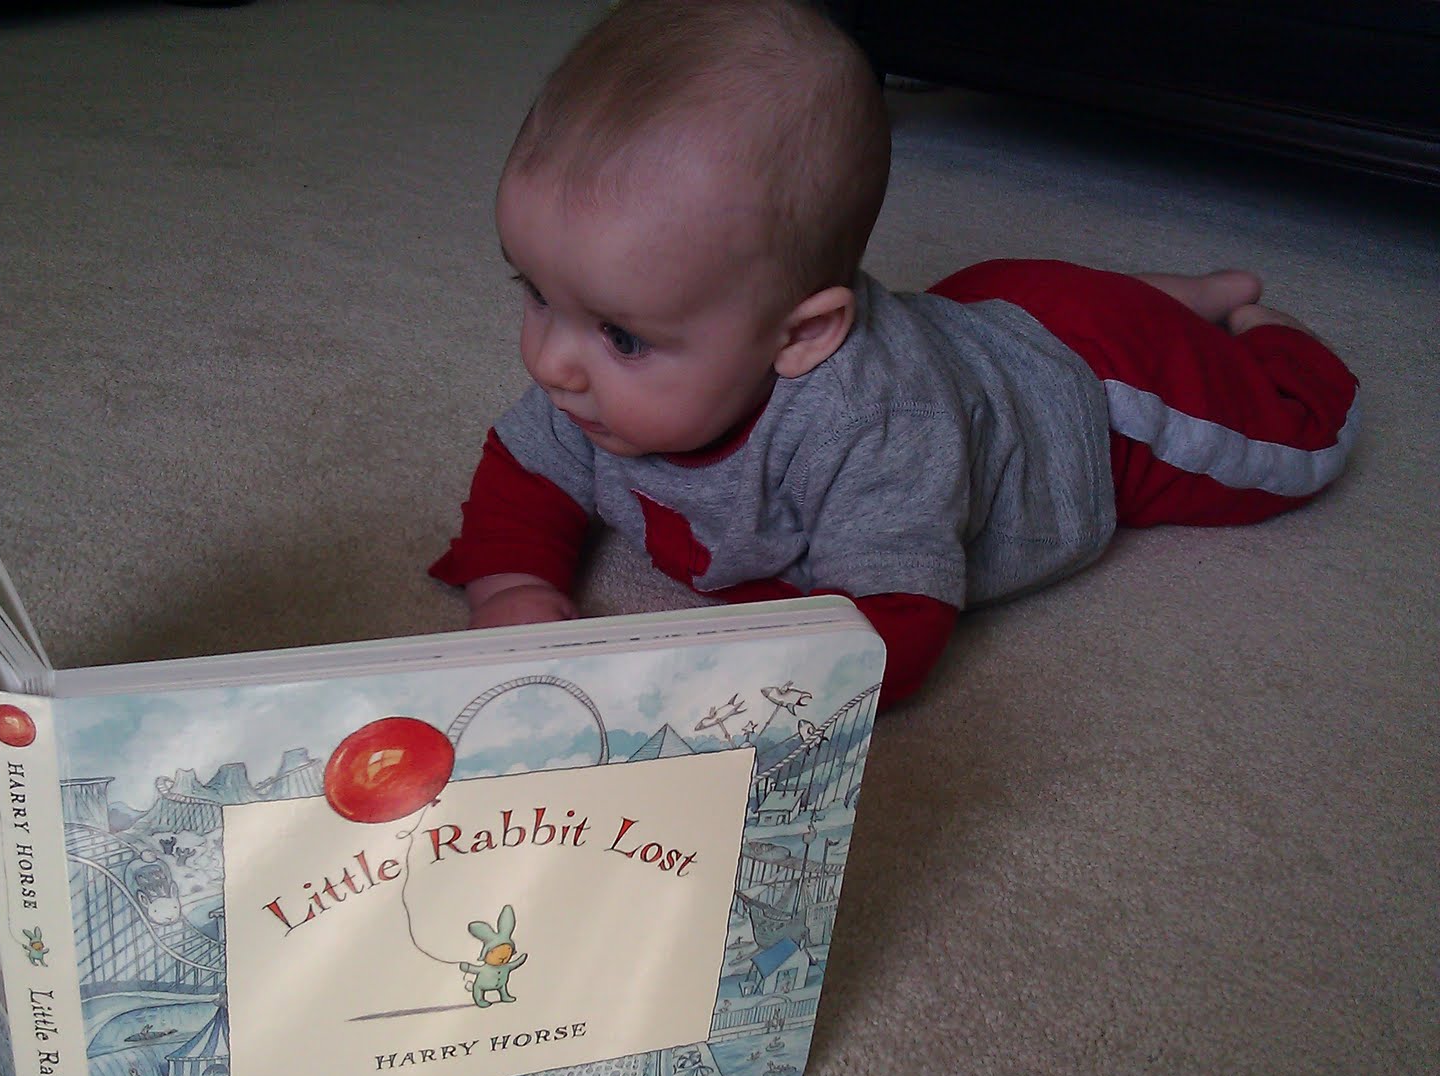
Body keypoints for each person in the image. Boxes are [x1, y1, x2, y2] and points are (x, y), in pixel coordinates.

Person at [429, 0, 1359, 708]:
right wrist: (511, 584)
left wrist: (726, 687)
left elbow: (893, 629)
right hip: (979, 310)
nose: (552, 361)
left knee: (1291, 451)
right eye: (536, 294)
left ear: (801, 336)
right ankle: (1175, 291)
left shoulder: (878, 431)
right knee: (1007, 301)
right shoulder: (587, 384)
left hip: (1084, 390)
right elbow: (525, 473)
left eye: (620, 334)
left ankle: (1247, 319)